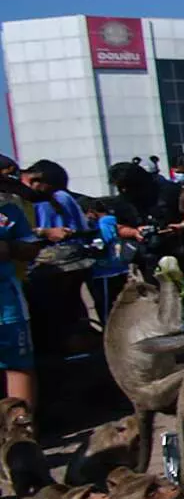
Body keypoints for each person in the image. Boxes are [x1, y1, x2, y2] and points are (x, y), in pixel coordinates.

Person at [21, 160, 97, 357]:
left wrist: (42, 233)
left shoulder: (39, 200)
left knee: (52, 319)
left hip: (49, 265)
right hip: (73, 260)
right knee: (73, 313)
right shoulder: (61, 197)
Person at [0, 170, 39, 407]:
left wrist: (8, 248)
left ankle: (21, 436)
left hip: (7, 309)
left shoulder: (9, 209)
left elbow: (30, 248)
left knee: (18, 366)